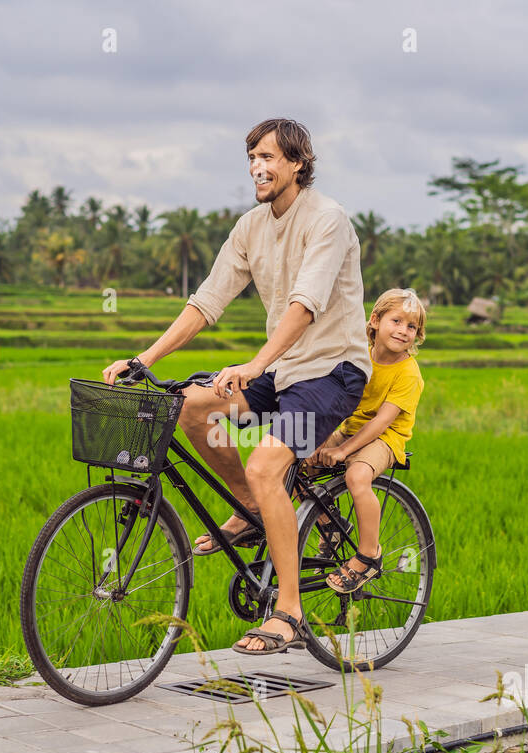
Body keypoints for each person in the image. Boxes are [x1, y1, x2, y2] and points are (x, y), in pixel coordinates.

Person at [101, 118, 371, 655]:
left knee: (266, 463)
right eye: (252, 156)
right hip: (283, 368)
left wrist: (252, 364)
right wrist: (144, 357)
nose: (258, 166)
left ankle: (289, 611)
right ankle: (251, 509)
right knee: (190, 407)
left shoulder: (328, 219)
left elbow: (304, 307)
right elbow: (207, 300)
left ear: (298, 163)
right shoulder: (250, 226)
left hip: (332, 372)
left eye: (270, 156)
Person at [303, 288, 426, 592]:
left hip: (384, 438)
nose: (403, 331)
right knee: (294, 457)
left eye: (411, 327)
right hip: (350, 428)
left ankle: (369, 554)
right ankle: (330, 526)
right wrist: (320, 438)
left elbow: (382, 421)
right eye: (396, 321)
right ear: (375, 321)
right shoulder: (359, 358)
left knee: (357, 475)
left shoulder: (408, 374)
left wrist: (343, 450)